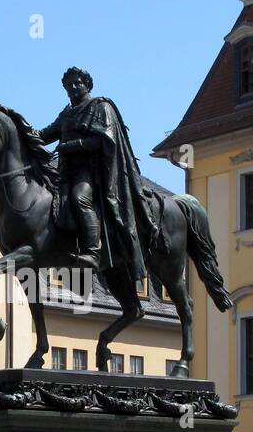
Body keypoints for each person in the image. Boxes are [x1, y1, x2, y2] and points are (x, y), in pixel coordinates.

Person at [37, 67, 161, 278]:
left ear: (88, 85)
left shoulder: (100, 107)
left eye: (78, 83)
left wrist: (72, 145)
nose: (73, 87)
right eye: (69, 85)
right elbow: (44, 135)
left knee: (79, 199)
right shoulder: (67, 114)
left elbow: (105, 140)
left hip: (94, 173)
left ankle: (93, 251)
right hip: (66, 172)